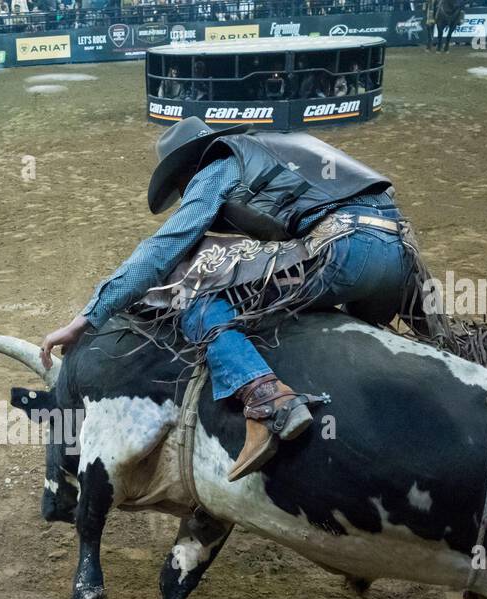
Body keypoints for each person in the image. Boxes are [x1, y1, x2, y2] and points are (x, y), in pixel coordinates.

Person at [40, 118, 423, 481]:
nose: (184, 193)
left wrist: (87, 317)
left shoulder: (219, 166)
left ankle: (268, 402)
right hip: (404, 257)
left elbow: (164, 248)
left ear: (189, 168)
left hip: (346, 250)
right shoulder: (280, 152)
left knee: (200, 303)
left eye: (181, 186)